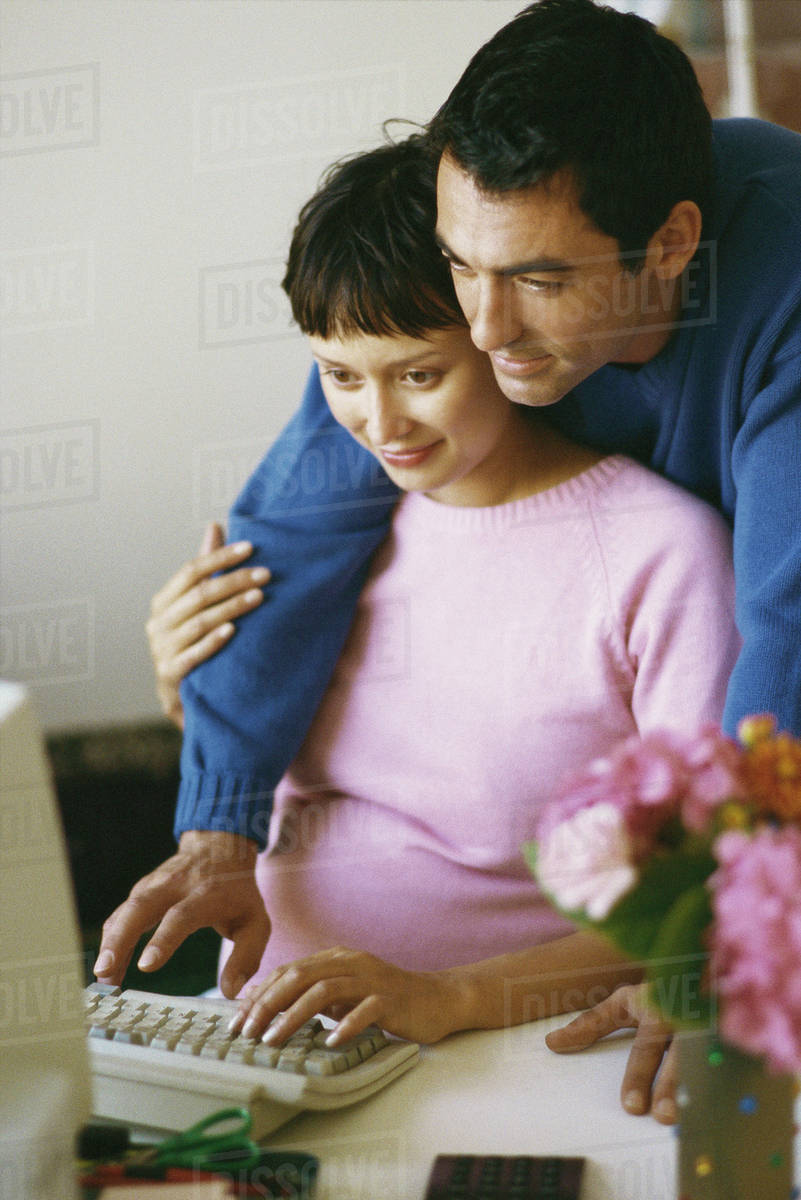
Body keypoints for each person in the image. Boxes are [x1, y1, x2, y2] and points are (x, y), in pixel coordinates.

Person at [96, 0, 801, 1118]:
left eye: (538, 281)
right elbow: (290, 537)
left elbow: (788, 632)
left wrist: (716, 930)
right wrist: (217, 814)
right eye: (459, 268)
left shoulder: (775, 312)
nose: (478, 327)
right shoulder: (451, 318)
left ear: (671, 245)